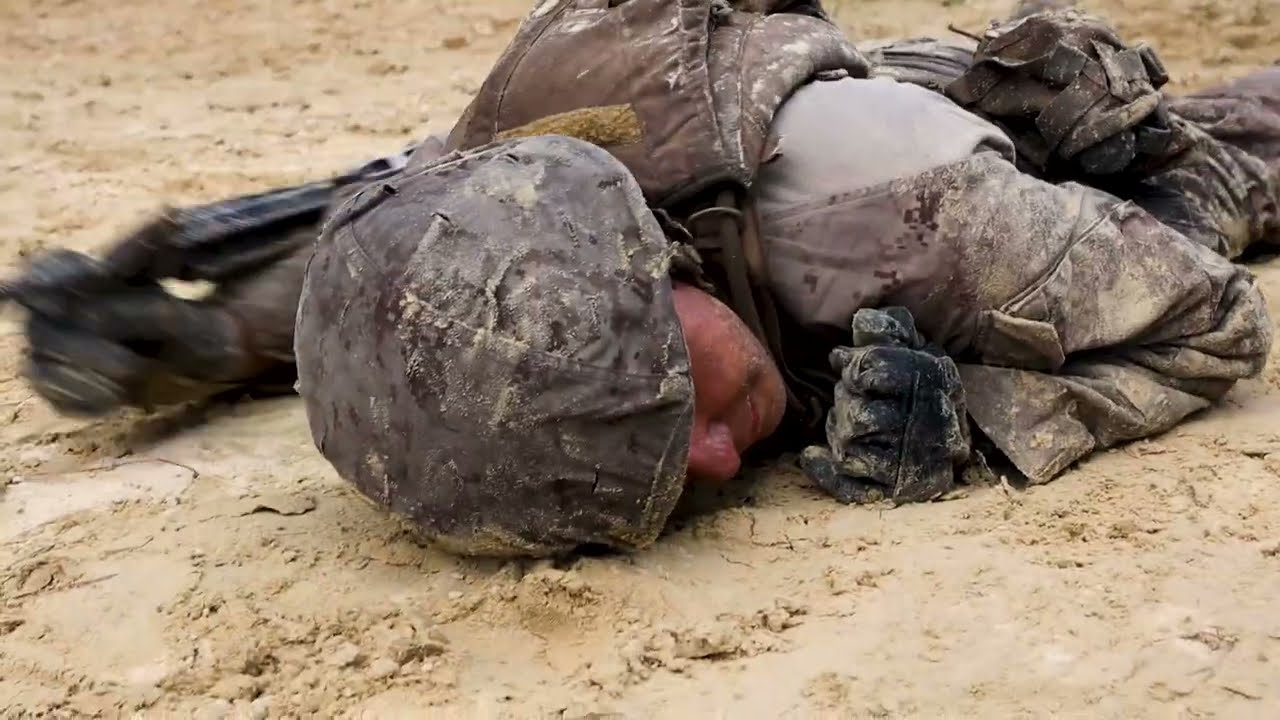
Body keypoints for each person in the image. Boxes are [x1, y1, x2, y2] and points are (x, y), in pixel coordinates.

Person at [4, 2, 1276, 555]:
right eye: (670, 464)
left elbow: (1209, 323)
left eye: (686, 405)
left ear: (662, 254)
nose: (724, 461)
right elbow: (415, 235)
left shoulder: (910, 223)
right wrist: (216, 328)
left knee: (1228, 155)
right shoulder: (542, 178)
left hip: (1030, 152)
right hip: (760, 144)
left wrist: (980, 428)